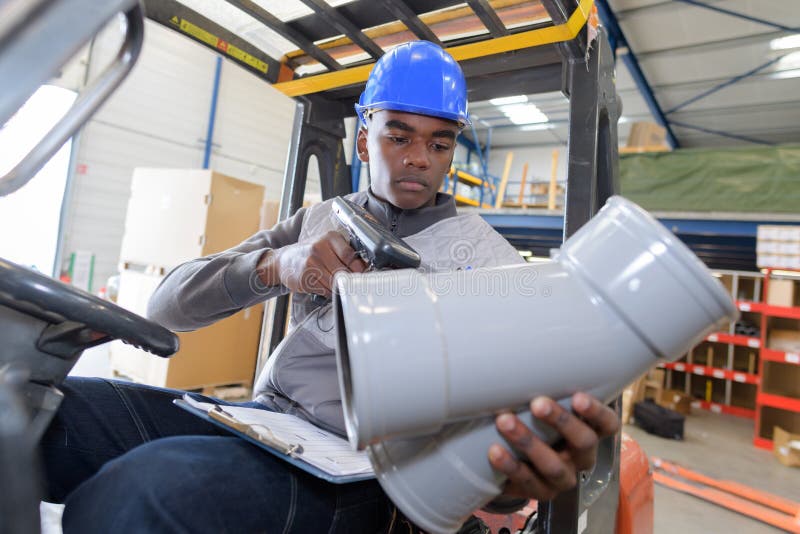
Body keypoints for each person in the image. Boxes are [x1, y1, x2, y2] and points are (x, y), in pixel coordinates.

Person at [41, 41, 619, 533]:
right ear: (364, 139)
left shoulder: (491, 266)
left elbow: (503, 455)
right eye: (399, 136)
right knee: (43, 410)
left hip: (370, 474)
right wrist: (276, 266)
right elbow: (165, 306)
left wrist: (506, 483)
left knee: (143, 491)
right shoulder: (318, 220)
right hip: (263, 421)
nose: (418, 158)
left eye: (439, 143)